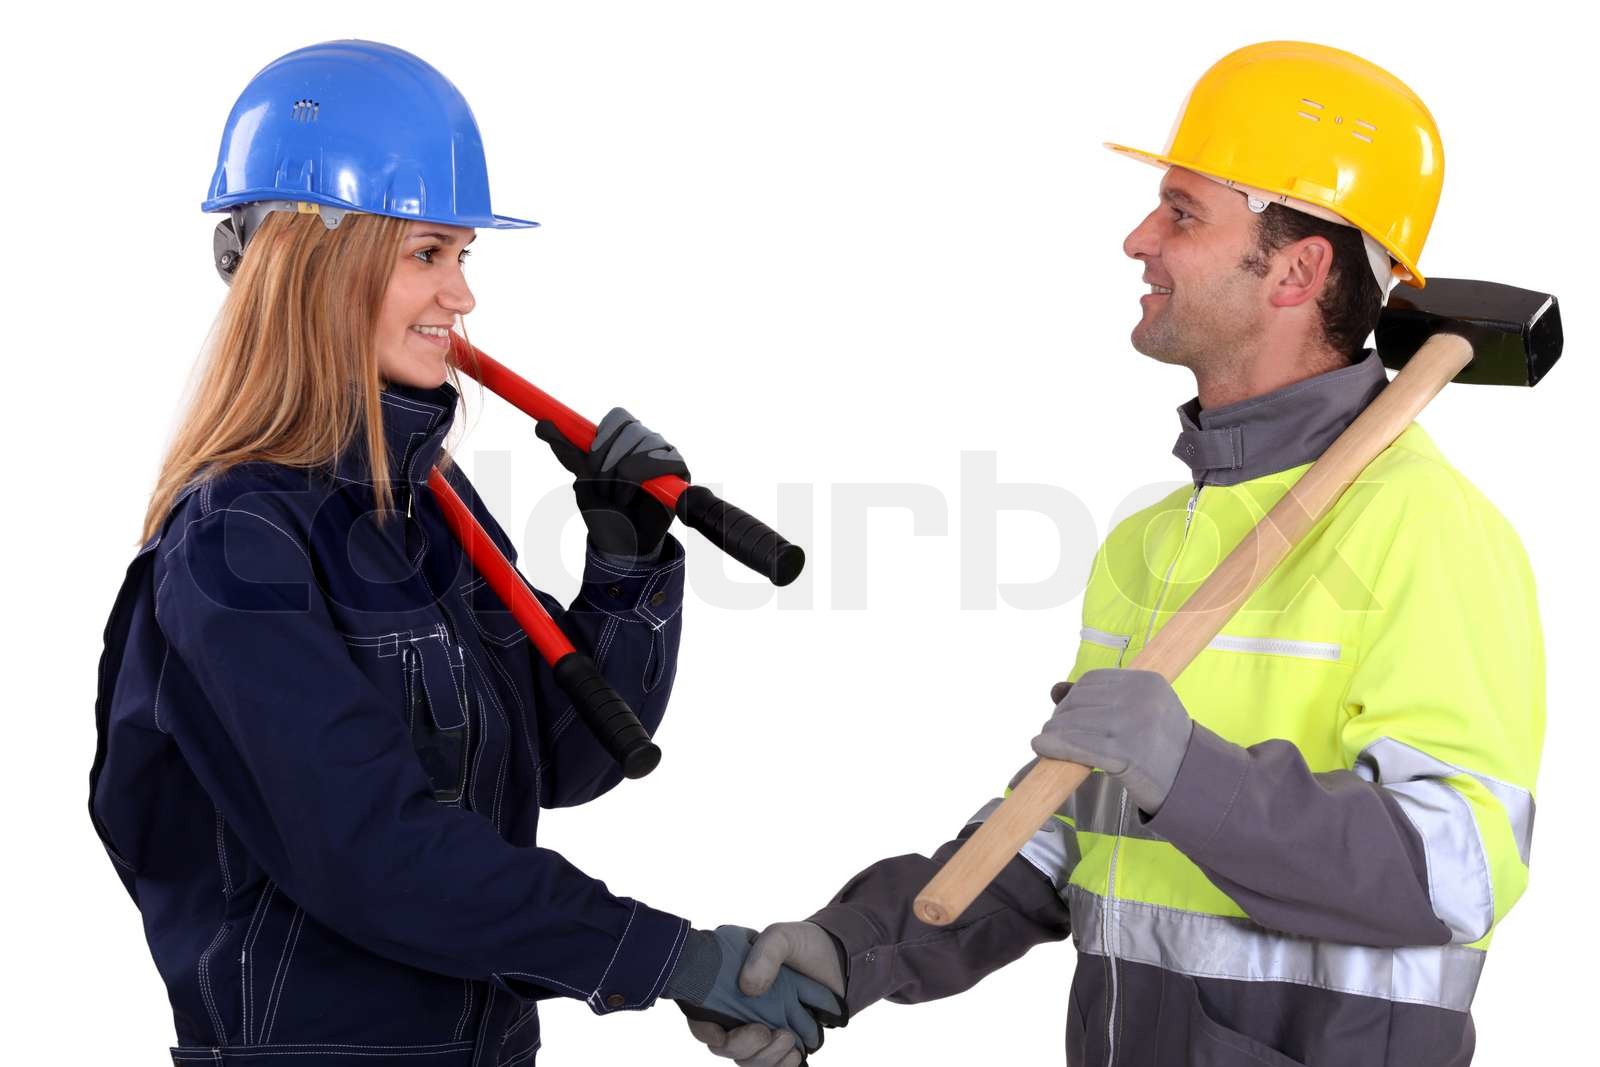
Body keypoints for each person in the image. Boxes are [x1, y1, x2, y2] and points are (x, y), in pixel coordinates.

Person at [684, 41, 1544, 1066]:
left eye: (1182, 213)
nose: (1139, 239)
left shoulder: (1424, 527)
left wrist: (1189, 771)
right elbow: (1068, 825)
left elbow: (1458, 874)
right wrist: (854, 949)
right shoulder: (1155, 539)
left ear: (1297, 269)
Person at [88, 40, 835, 1066]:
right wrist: (671, 958)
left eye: (463, 257)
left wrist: (627, 562)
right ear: (312, 265)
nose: (462, 297)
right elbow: (376, 851)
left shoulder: (426, 505)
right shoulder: (235, 543)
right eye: (426, 253)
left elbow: (565, 760)